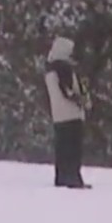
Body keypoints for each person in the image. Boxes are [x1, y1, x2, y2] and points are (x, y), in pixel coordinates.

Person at [43, 37, 88, 189]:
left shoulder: (50, 70)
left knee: (62, 149)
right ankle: (73, 178)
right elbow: (68, 91)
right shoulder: (63, 68)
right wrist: (81, 101)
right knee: (73, 149)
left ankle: (62, 177)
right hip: (71, 115)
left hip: (58, 116)